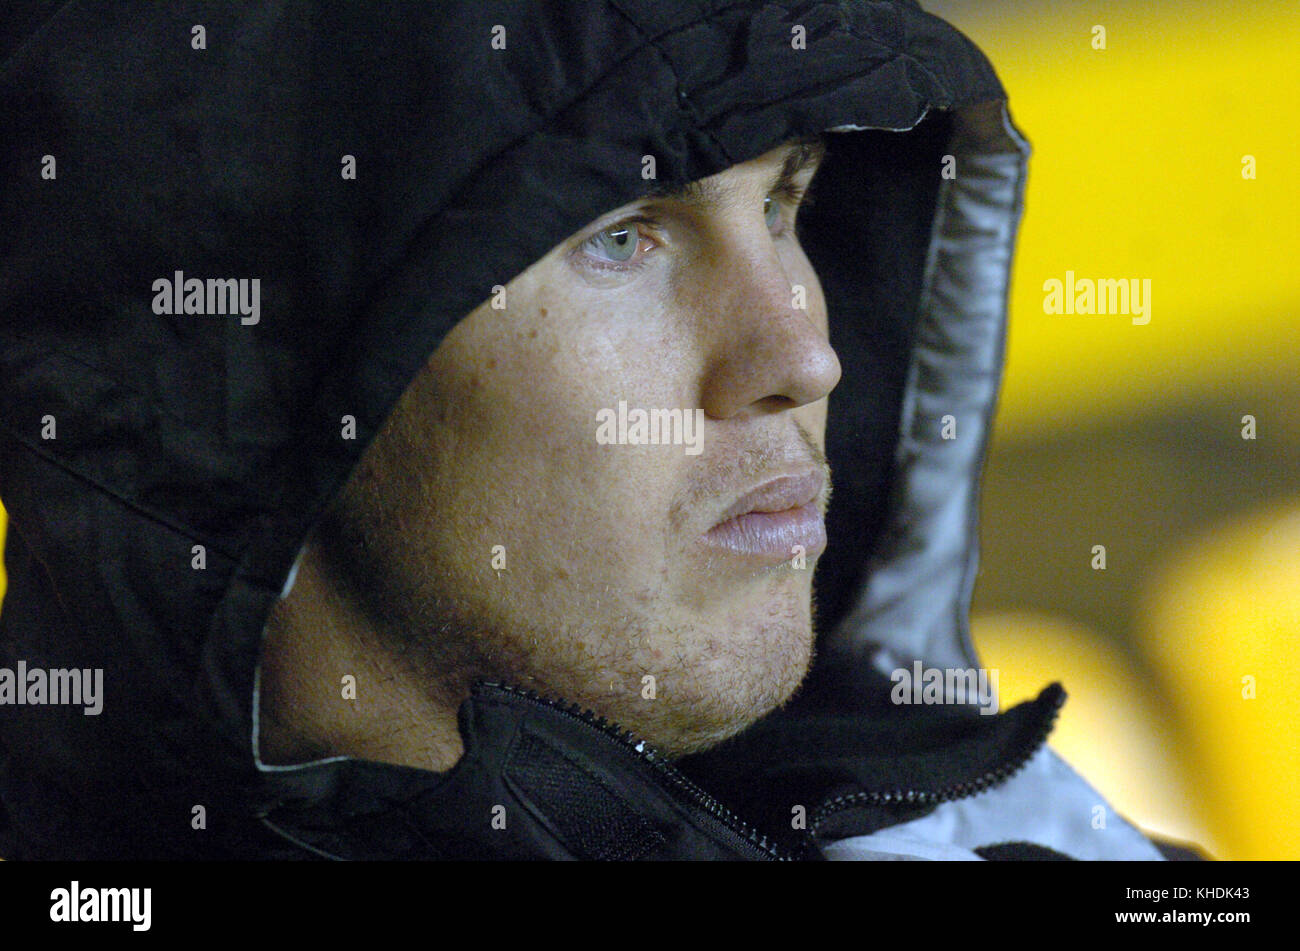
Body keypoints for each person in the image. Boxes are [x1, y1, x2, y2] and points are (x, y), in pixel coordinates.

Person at [0, 0, 1201, 860]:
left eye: (786, 199)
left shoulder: (1016, 840)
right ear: (252, 388)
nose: (801, 358)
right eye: (620, 237)